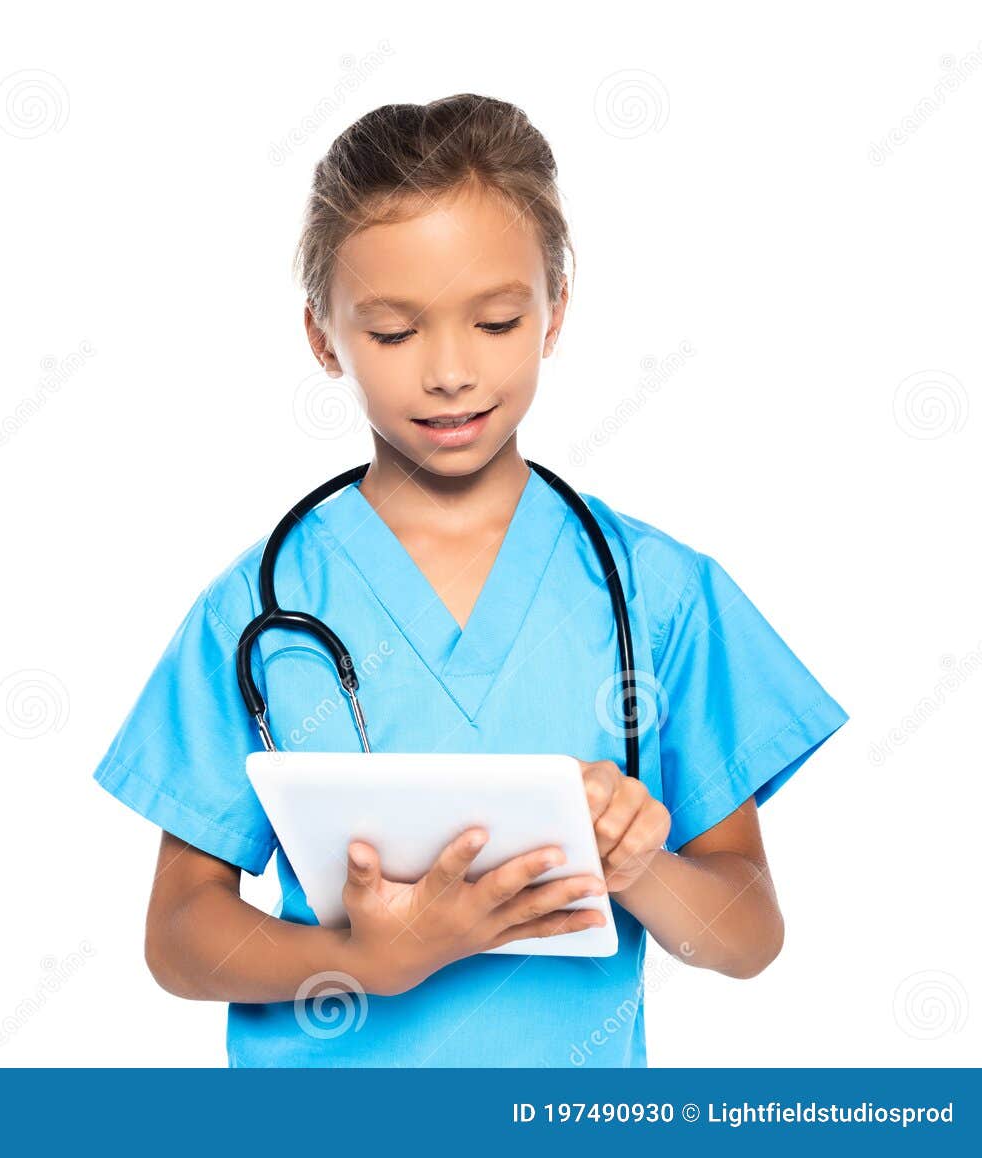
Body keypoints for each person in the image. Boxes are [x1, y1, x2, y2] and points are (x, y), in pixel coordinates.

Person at [91, 94, 848, 1066]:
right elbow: (179, 939)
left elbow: (746, 937)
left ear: (553, 312)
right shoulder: (257, 608)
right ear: (324, 337)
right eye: (394, 334)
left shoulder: (658, 593)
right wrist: (362, 962)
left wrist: (639, 865)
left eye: (494, 321)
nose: (448, 372)